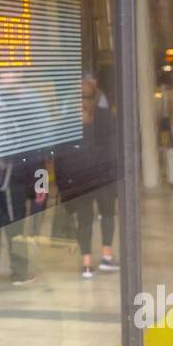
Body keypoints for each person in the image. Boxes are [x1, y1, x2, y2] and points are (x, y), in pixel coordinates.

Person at [55, 76, 120, 278]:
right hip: (102, 176)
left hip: (79, 178)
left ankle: (86, 264)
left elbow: (60, 156)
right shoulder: (105, 117)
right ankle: (107, 256)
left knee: (84, 219)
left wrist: (64, 184)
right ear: (96, 95)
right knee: (107, 214)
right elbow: (113, 148)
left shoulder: (66, 122)